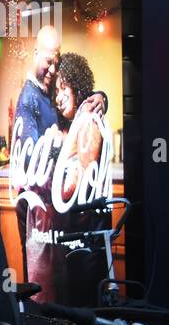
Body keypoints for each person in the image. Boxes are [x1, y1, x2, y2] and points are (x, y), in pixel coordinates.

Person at [24, 52, 108, 301]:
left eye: (63, 90)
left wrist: (48, 174)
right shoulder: (70, 124)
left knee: (78, 305)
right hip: (71, 239)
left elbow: (69, 188)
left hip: (83, 239)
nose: (58, 99)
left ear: (78, 87)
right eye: (55, 93)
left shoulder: (87, 120)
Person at [11, 26, 62, 271]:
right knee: (37, 273)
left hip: (45, 202)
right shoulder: (28, 98)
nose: (53, 69)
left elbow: (80, 86)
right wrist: (59, 145)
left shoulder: (47, 90)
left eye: (56, 62)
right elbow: (31, 157)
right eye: (49, 62)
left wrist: (101, 97)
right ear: (36, 53)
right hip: (33, 203)